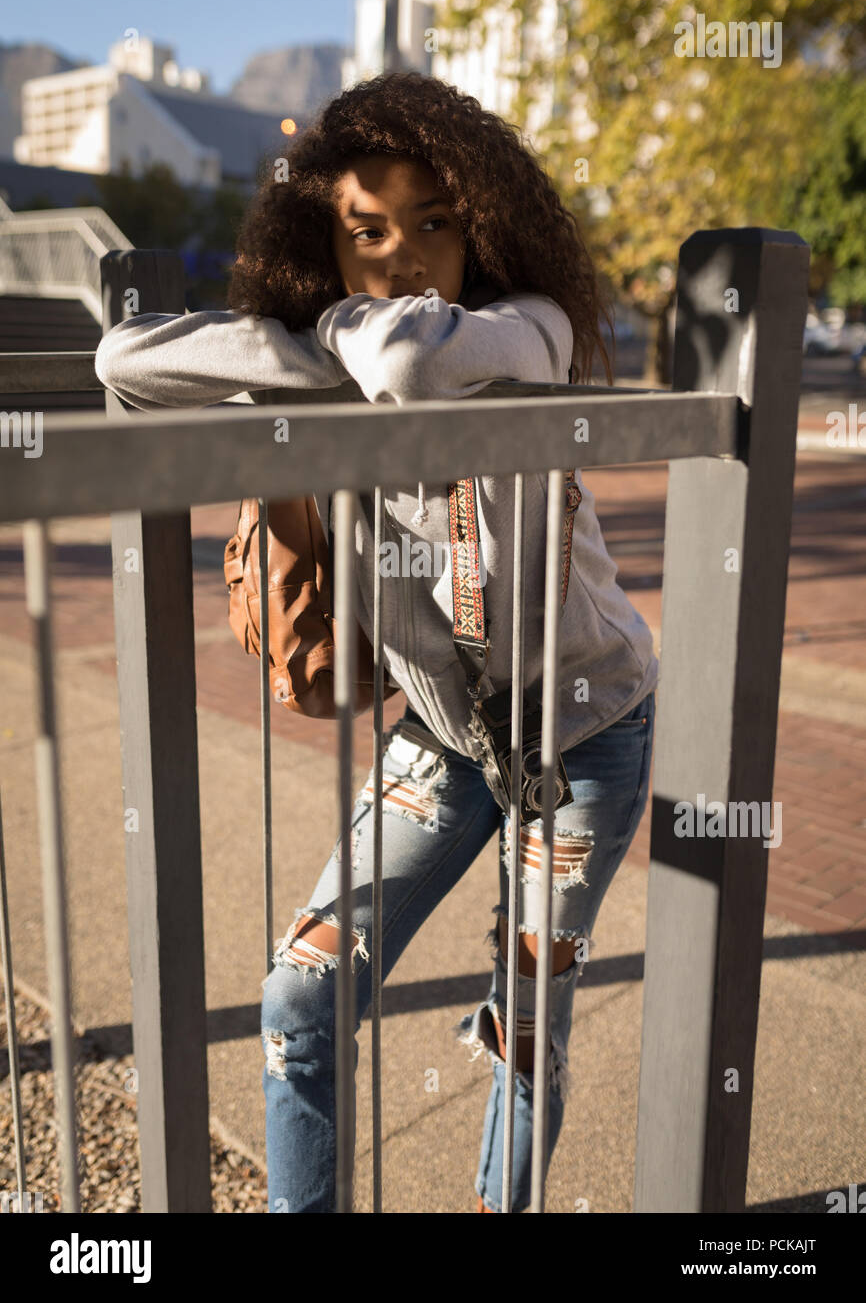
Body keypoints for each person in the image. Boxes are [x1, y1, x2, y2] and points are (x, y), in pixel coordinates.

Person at [95, 71, 658, 1213]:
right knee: (299, 997)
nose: (400, 256)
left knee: (521, 1024)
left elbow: (406, 360)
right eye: (365, 229)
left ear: (484, 224)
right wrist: (313, 341)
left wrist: (327, 333)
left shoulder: (528, 332)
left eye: (433, 222)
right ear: (321, 237)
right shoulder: (339, 355)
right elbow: (124, 364)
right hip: (447, 736)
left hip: (586, 726)